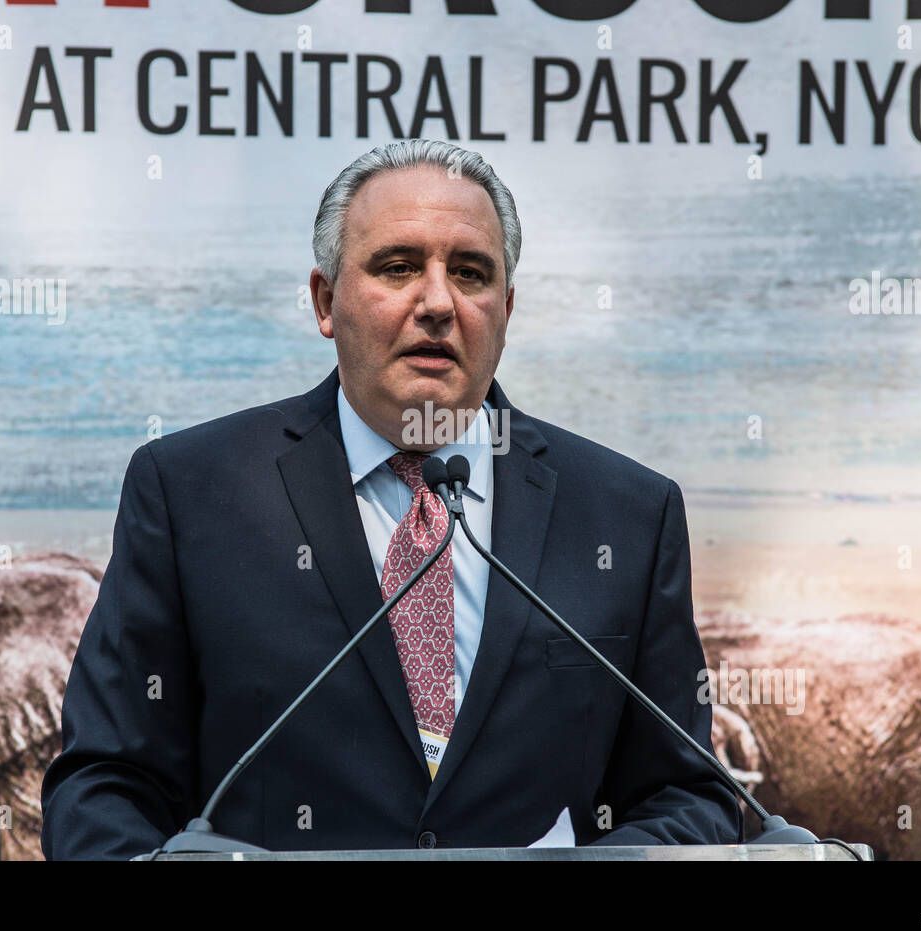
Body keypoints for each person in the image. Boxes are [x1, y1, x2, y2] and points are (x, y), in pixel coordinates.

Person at [40, 139, 743, 859]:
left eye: (470, 274)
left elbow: (687, 795)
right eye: (398, 267)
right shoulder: (191, 491)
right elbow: (105, 786)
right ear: (325, 300)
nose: (437, 302)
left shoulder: (626, 512)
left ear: (506, 307)